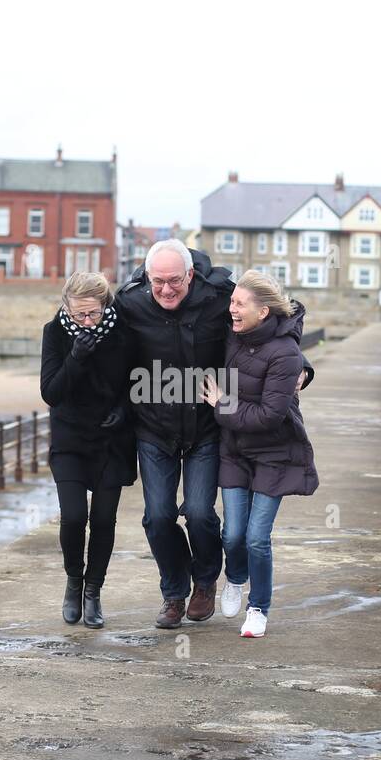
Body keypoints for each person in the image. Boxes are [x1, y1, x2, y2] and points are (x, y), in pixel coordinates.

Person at [116, 240, 313, 629]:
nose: (166, 289)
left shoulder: (219, 295)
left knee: (202, 514)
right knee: (157, 517)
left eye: (175, 280)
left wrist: (300, 364)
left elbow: (272, 319)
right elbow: (92, 327)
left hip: (207, 426)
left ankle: (205, 582)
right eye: (158, 281)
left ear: (190, 275)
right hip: (155, 427)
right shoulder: (130, 302)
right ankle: (174, 593)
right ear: (146, 277)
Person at [201, 271, 319, 638]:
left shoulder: (286, 354)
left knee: (256, 537)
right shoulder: (233, 335)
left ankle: (259, 608)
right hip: (235, 451)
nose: (230, 309)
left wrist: (222, 405)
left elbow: (270, 416)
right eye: (232, 301)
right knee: (233, 535)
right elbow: (210, 275)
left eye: (239, 304)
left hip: (274, 453)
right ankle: (235, 577)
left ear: (263, 312)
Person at [39, 271, 136, 629]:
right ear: (66, 306)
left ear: (104, 305)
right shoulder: (55, 333)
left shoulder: (123, 332)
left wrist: (124, 410)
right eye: (79, 314)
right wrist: (77, 356)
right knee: (75, 515)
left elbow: (136, 381)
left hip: (112, 439)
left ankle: (94, 590)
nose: (87, 321)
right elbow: (51, 392)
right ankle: (73, 582)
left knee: (103, 520)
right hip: (70, 439)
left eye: (93, 313)